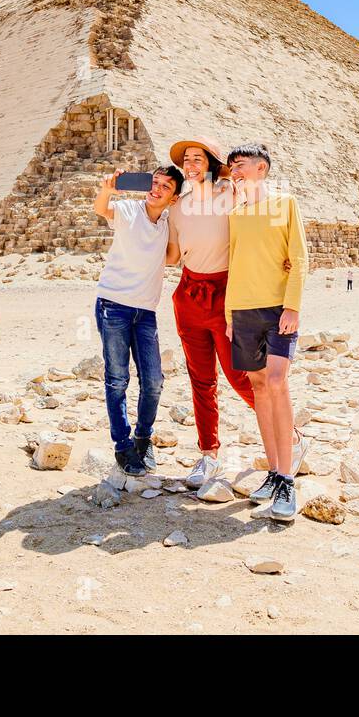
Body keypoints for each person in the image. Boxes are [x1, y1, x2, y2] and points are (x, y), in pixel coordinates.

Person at [164, 137, 257, 489]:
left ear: (211, 162)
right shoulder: (178, 207)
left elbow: (259, 225)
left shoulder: (231, 196)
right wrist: (139, 220)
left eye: (197, 158)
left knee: (240, 377)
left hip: (225, 296)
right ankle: (208, 455)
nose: (190, 164)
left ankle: (287, 440)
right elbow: (172, 256)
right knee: (201, 380)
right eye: (185, 159)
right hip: (189, 296)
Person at [225, 143, 309, 522]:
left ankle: (288, 478)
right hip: (243, 308)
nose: (234, 172)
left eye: (240, 165)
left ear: (262, 168)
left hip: (277, 308)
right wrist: (229, 314)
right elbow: (236, 263)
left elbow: (300, 257)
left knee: (277, 382)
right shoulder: (236, 214)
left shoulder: (285, 204)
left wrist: (292, 306)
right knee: (258, 386)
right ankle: (274, 472)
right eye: (230, 168)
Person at [92, 164, 183, 476]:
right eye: (154, 183)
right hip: (113, 305)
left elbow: (172, 258)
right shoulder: (129, 209)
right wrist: (108, 187)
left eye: (165, 187)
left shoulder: (168, 221)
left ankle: (143, 438)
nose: (155, 189)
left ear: (174, 198)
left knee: (154, 381)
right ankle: (122, 446)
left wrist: (178, 226)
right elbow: (101, 208)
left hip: (145, 311)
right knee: (117, 379)